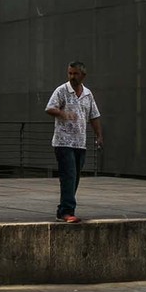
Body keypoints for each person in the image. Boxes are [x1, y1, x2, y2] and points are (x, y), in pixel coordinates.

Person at [44, 62, 103, 223]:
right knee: (68, 175)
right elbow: (49, 108)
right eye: (70, 73)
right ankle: (67, 211)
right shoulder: (62, 90)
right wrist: (63, 113)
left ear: (83, 75)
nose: (72, 77)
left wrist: (99, 135)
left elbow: (94, 116)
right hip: (63, 142)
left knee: (75, 177)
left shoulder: (88, 94)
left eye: (75, 74)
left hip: (80, 143)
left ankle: (62, 209)